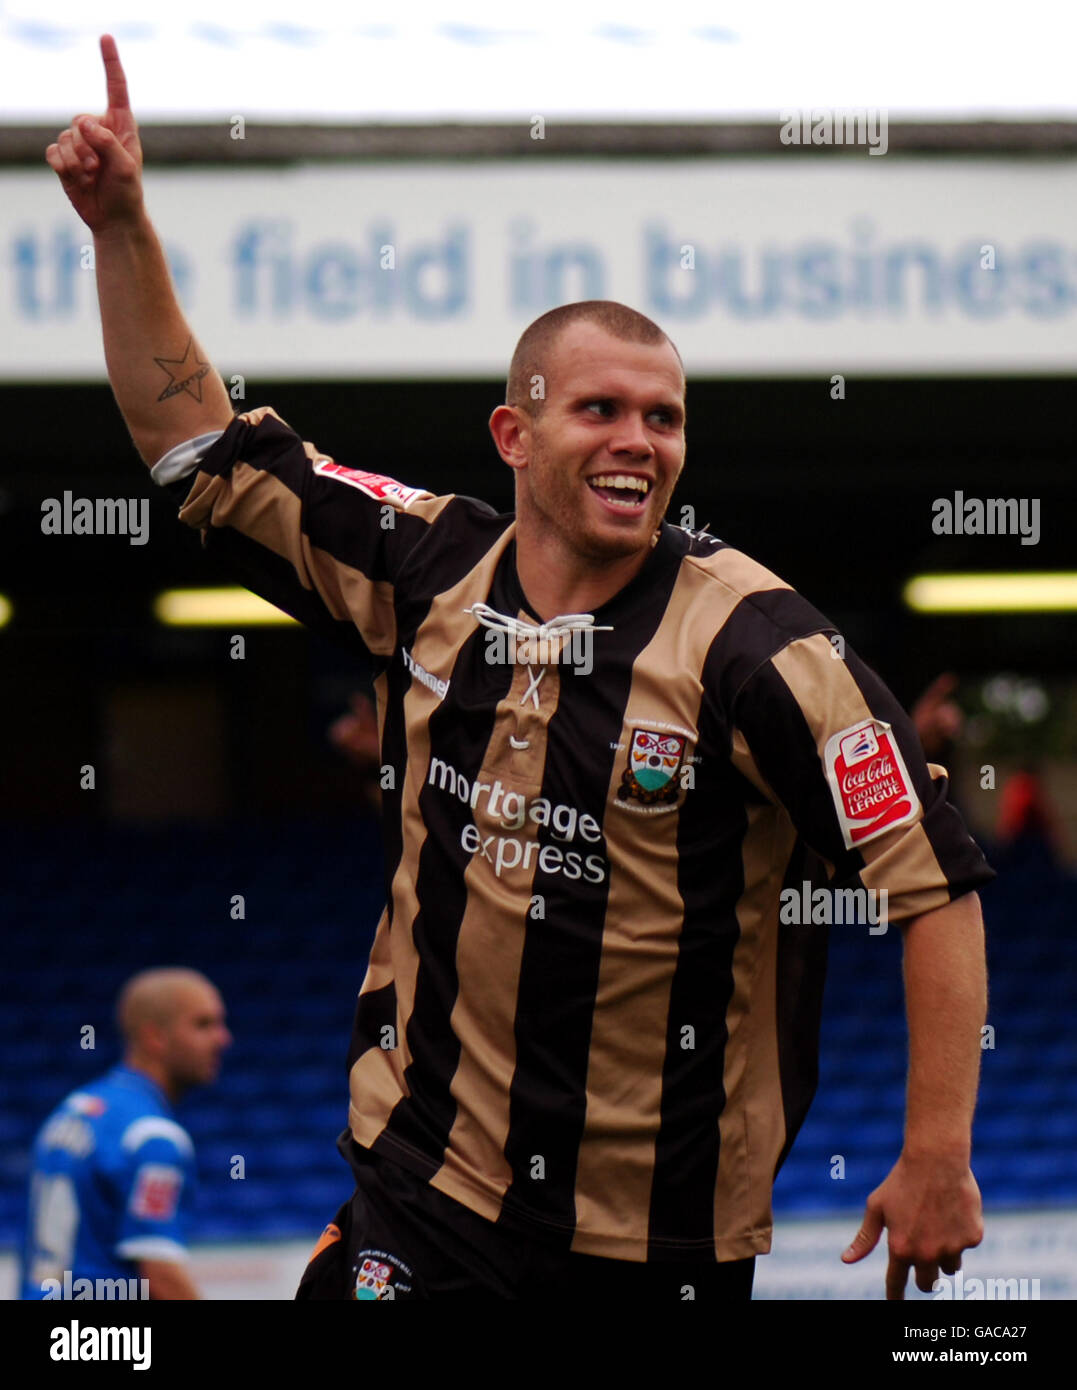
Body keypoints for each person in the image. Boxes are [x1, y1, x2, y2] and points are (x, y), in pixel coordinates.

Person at [47, 35, 994, 1302]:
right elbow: (198, 447)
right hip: (424, 1196)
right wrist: (120, 229)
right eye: (600, 408)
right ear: (516, 432)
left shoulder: (765, 644)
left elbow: (931, 878)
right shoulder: (423, 567)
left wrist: (938, 1148)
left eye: (664, 417)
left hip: (657, 1243)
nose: (639, 441)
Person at [21, 968, 231, 1300]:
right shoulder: (153, 1138)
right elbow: (162, 1279)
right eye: (203, 1025)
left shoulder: (71, 1111)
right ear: (155, 1037)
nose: (223, 1039)